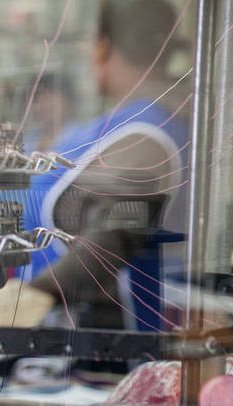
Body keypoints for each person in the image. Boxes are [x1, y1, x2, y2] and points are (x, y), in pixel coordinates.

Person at [24, 0, 189, 331]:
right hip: (63, 330)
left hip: (111, 341)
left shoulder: (150, 133)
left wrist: (30, 298)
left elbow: (110, 241)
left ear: (102, 48)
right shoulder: (131, 122)